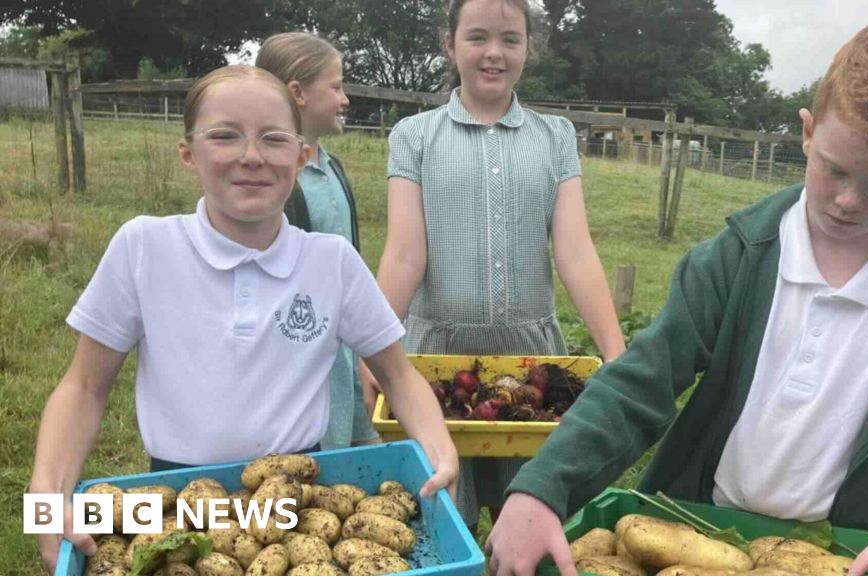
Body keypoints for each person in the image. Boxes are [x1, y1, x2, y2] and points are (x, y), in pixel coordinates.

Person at [486, 17, 868, 576]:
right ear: (808, 132)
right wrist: (542, 488)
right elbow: (640, 383)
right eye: (833, 169)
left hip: (846, 558)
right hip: (699, 535)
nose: (849, 201)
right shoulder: (735, 260)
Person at [27, 65, 458, 573]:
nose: (251, 156)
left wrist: (440, 449)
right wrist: (44, 500)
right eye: (225, 136)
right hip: (177, 497)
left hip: (299, 501)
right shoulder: (144, 247)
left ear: (300, 156)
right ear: (189, 153)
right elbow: (83, 387)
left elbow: (397, 374)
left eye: (273, 139)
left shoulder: (332, 261)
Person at [370, 0, 627, 531]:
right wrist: (374, 353)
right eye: (477, 37)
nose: (494, 53)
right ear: (450, 44)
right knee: (439, 518)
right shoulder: (414, 136)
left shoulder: (554, 137)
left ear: (529, 48)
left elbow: (574, 252)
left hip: (534, 366)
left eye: (510, 39)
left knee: (535, 519)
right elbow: (404, 253)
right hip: (434, 364)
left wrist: (616, 352)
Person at [256, 31, 378, 449]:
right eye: (336, 85)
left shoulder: (334, 167)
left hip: (343, 344)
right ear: (298, 94)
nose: (345, 98)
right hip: (301, 349)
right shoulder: (275, 182)